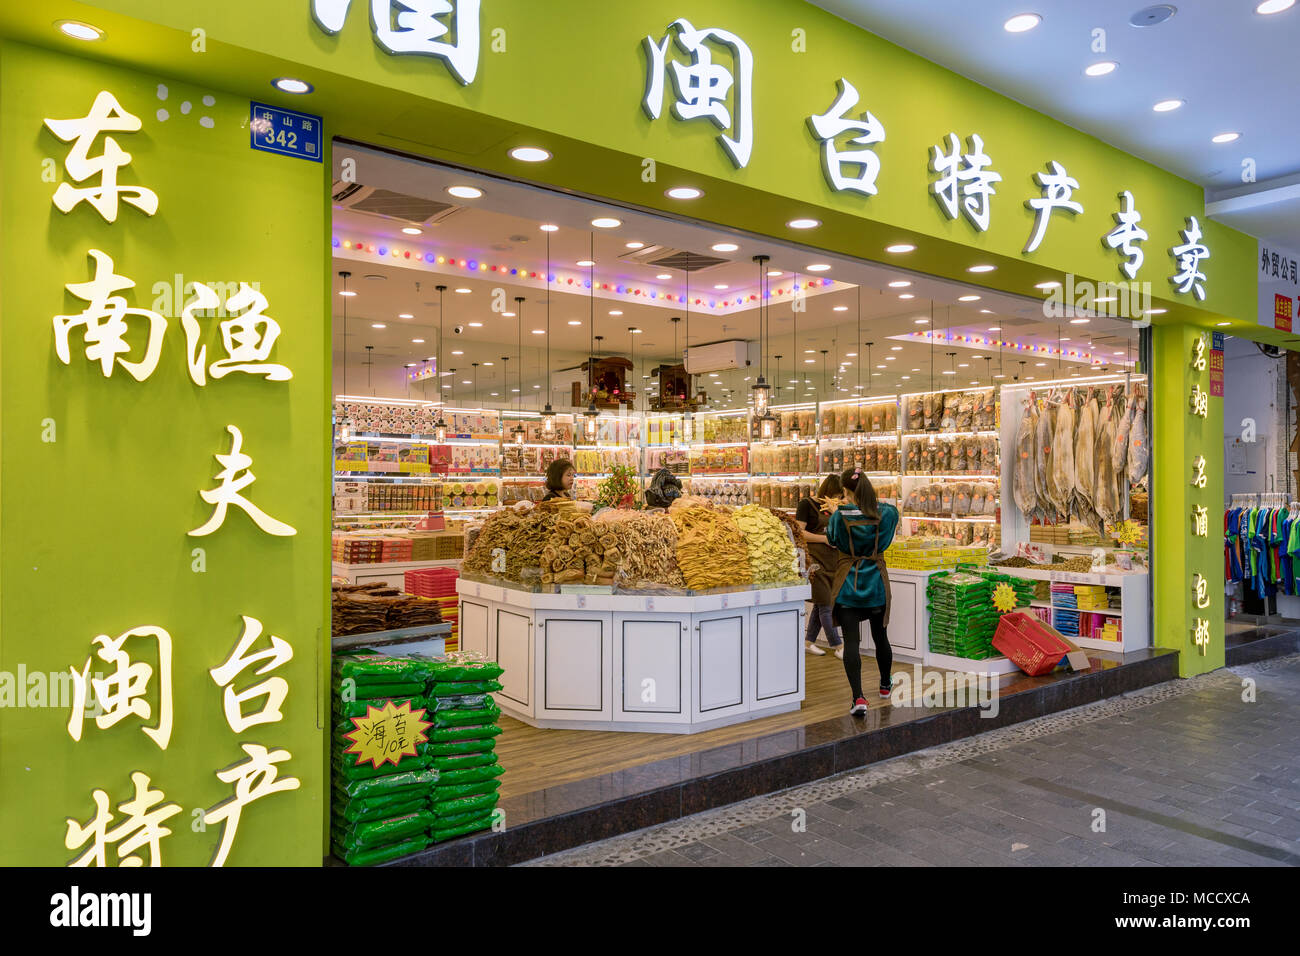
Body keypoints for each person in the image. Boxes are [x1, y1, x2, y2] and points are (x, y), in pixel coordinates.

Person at [826, 467, 899, 716]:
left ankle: (858, 697)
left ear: (845, 491)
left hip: (849, 583)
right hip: (876, 582)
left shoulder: (840, 516)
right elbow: (889, 537)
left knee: (852, 643)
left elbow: (833, 539)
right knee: (881, 637)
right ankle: (885, 684)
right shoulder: (887, 513)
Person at [795, 474, 848, 659]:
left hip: (834, 559)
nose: (839, 499)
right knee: (826, 603)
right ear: (828, 491)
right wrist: (824, 538)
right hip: (815, 560)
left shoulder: (837, 509)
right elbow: (799, 532)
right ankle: (838, 645)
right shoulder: (806, 505)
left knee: (821, 603)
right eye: (837, 495)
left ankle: (808, 642)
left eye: (841, 496)